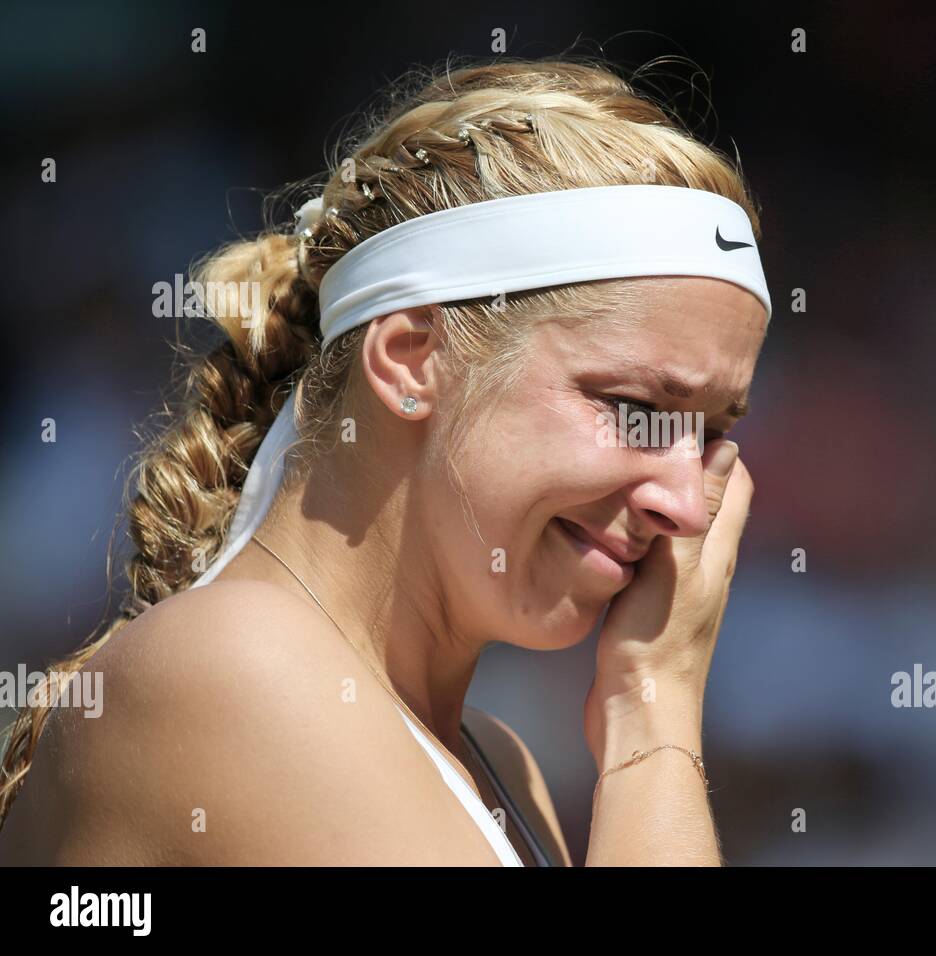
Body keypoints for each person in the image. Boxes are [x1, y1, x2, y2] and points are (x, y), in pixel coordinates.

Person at [0, 56, 769, 866]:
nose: (689, 505)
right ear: (408, 358)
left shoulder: (497, 765)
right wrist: (654, 716)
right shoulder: (233, 669)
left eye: (714, 433)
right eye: (637, 412)